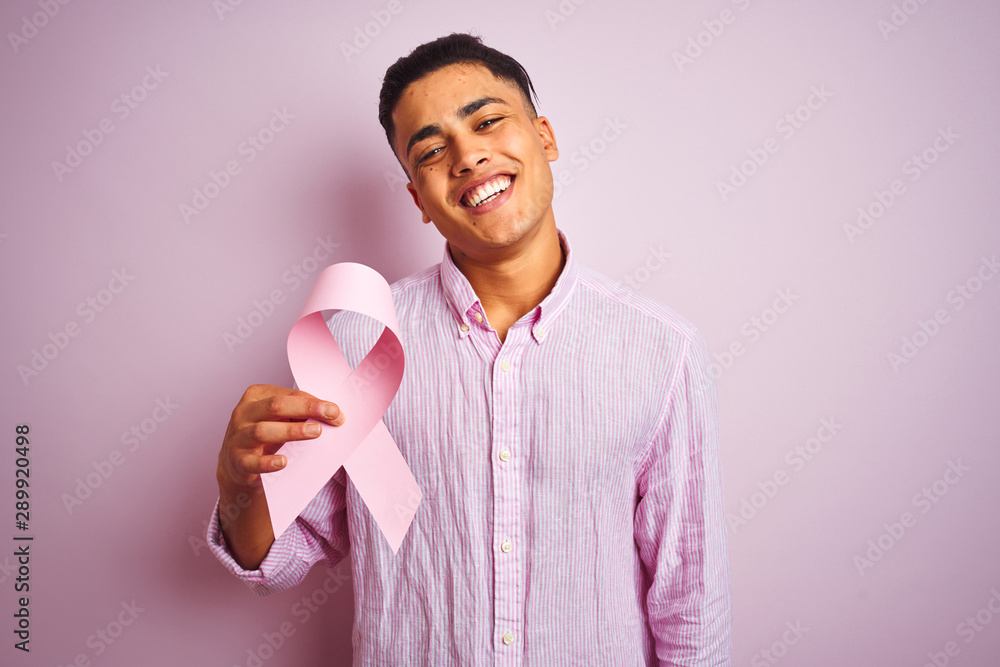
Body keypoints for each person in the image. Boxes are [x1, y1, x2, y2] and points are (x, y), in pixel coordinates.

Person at [209, 33, 732, 666]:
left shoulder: (661, 352)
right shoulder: (359, 344)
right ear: (418, 199)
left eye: (487, 121)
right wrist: (237, 483)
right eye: (431, 151)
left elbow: (690, 600)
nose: (468, 156)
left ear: (544, 138)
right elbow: (281, 554)